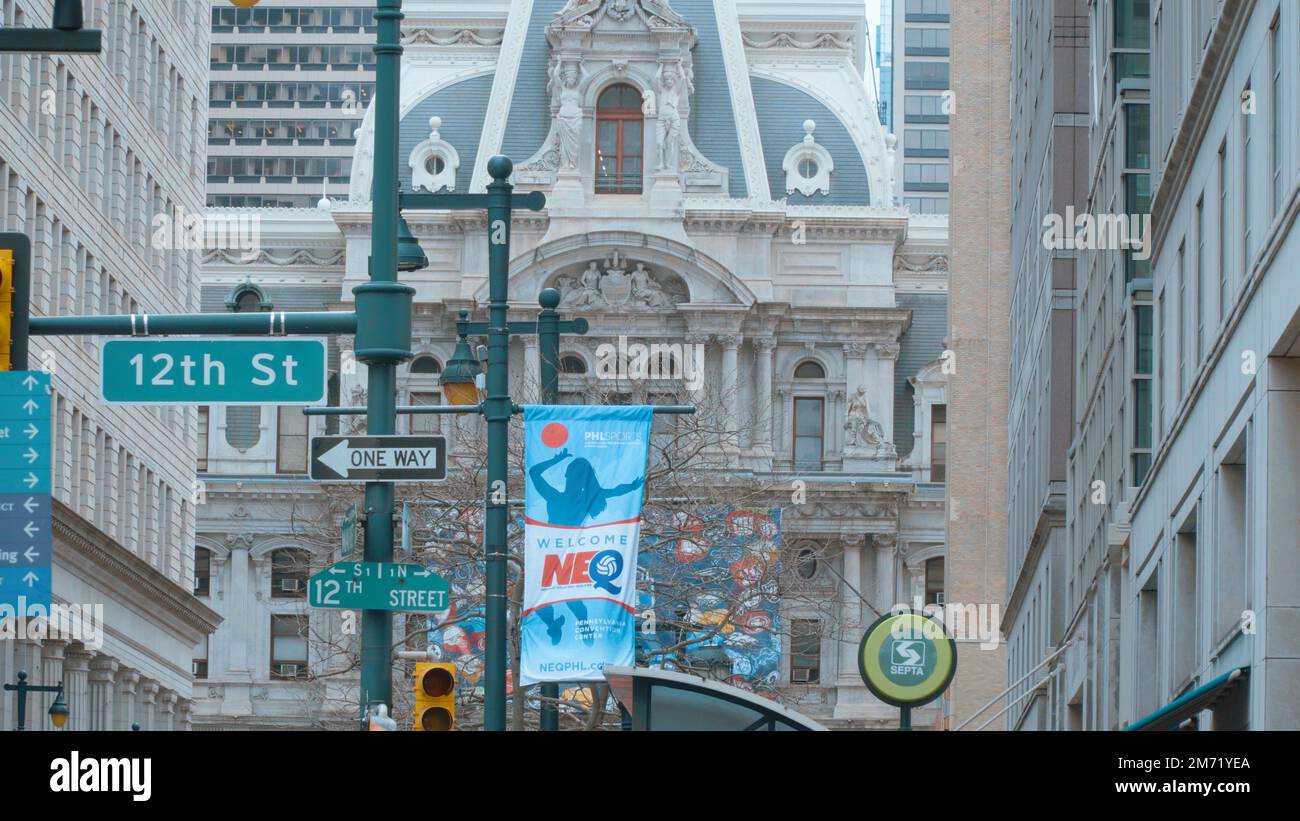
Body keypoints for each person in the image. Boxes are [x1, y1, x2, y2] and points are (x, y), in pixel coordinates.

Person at [529, 448, 645, 645]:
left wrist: (555, 460)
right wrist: (633, 487)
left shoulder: (561, 498)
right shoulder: (574, 499)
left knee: (562, 596)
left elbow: (534, 472)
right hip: (553, 553)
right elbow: (616, 490)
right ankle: (561, 625)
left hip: (563, 554)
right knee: (546, 598)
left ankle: (580, 625)